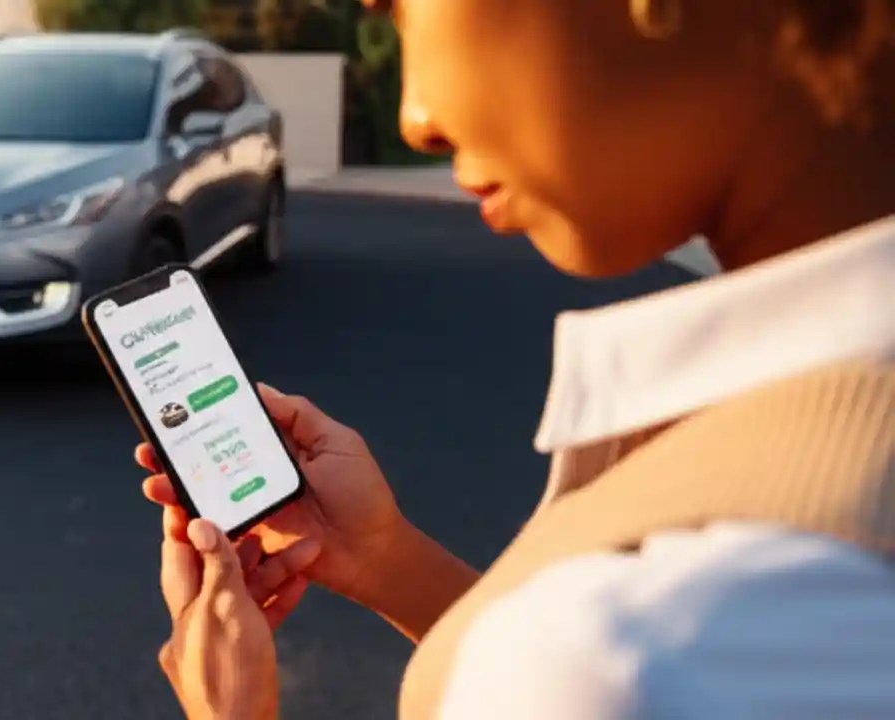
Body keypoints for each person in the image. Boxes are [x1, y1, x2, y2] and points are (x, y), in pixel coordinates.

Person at [135, 0, 895, 717]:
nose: (417, 120)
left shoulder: (644, 649)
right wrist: (387, 561)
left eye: (398, 7)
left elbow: (599, 671)